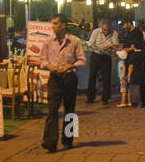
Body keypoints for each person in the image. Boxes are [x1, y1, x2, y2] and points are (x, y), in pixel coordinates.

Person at [40, 14, 85, 152]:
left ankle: (68, 139)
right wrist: (50, 66)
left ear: (63, 25)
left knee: (70, 109)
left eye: (55, 24)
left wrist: (70, 66)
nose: (53, 26)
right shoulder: (48, 41)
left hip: (69, 77)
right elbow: (42, 59)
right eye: (52, 24)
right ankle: (49, 141)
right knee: (52, 110)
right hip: (54, 77)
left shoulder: (74, 41)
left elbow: (82, 60)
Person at [86, 18, 118, 105]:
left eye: (107, 30)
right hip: (96, 55)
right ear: (101, 27)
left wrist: (110, 47)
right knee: (92, 77)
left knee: (106, 78)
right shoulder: (96, 32)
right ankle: (90, 97)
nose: (106, 32)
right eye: (104, 30)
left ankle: (106, 98)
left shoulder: (114, 33)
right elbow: (90, 43)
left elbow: (115, 45)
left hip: (106, 56)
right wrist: (97, 48)